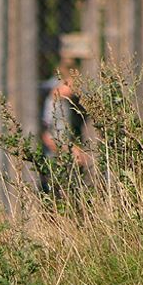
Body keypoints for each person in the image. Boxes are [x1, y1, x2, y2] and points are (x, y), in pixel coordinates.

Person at [40, 62, 87, 194]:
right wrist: (71, 151)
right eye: (72, 84)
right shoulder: (52, 104)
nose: (74, 89)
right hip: (53, 161)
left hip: (62, 158)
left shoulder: (63, 103)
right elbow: (46, 136)